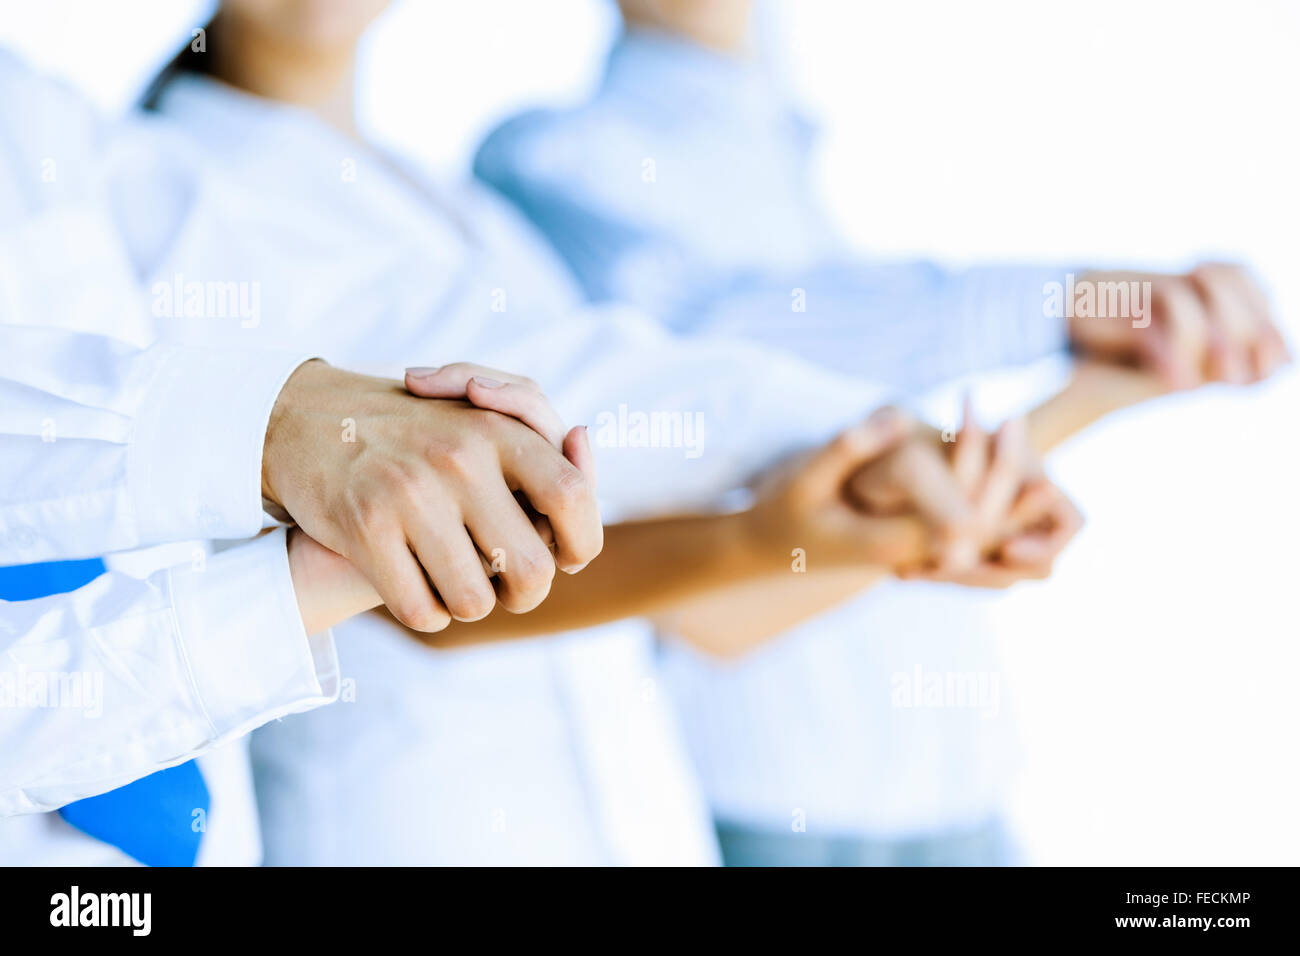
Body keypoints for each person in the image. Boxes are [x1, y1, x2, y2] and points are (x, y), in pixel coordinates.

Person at [20, 0, 1077, 865]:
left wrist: (852, 495)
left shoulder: (474, 210)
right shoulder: (163, 191)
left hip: (628, 814)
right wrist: (844, 446)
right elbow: (414, 560)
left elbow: (673, 551)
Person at [471, 0, 1290, 863]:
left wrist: (1096, 390)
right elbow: (708, 359)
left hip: (961, 792)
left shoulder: (786, 149)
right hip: (782, 808)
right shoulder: (548, 157)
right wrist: (1066, 302)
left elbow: (884, 466)